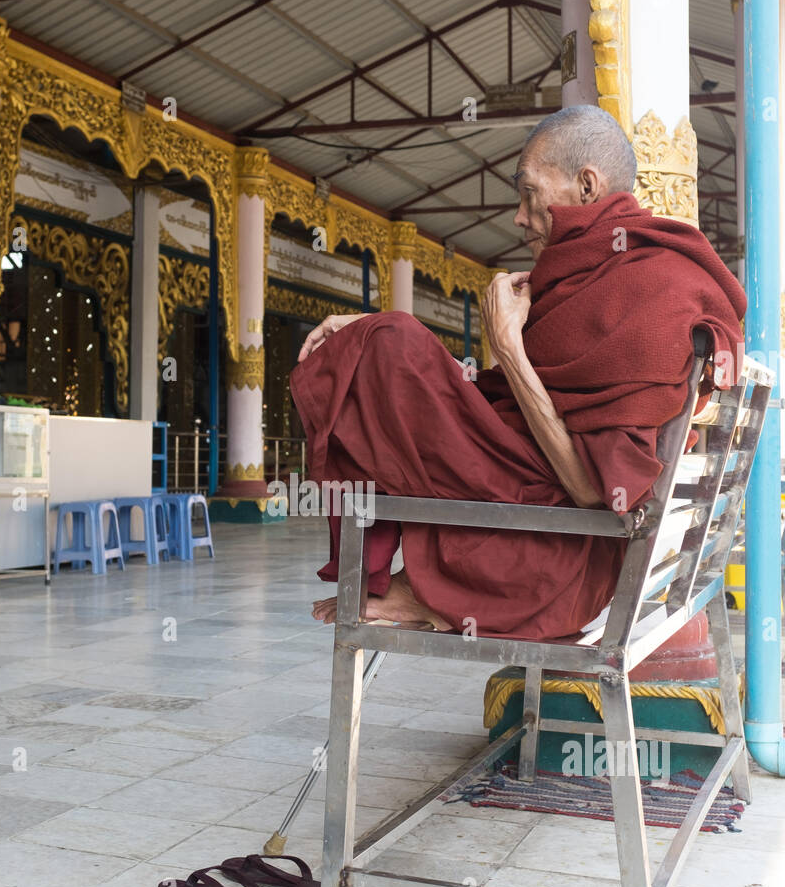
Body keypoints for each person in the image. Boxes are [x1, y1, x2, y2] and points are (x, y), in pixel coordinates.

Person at [289, 105, 745, 641]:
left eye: (529, 192)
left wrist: (508, 346)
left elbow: (593, 490)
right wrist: (368, 334)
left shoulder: (651, 287)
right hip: (540, 535)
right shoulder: (603, 274)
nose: (519, 216)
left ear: (586, 185)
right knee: (387, 347)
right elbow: (497, 412)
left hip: (553, 562)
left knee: (390, 346)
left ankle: (434, 589)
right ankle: (427, 584)